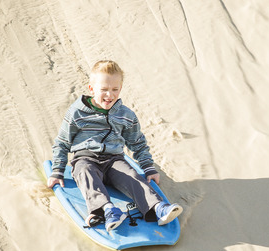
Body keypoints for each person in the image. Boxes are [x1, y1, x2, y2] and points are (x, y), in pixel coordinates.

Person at [47, 60, 182, 232]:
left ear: (120, 89)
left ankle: (158, 208)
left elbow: (137, 143)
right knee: (85, 173)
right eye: (103, 89)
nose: (109, 95)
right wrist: (57, 170)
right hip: (85, 159)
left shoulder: (126, 115)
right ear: (91, 89)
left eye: (114, 89)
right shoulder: (77, 112)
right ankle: (107, 210)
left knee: (132, 175)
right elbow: (62, 142)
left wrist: (148, 167)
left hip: (114, 160)